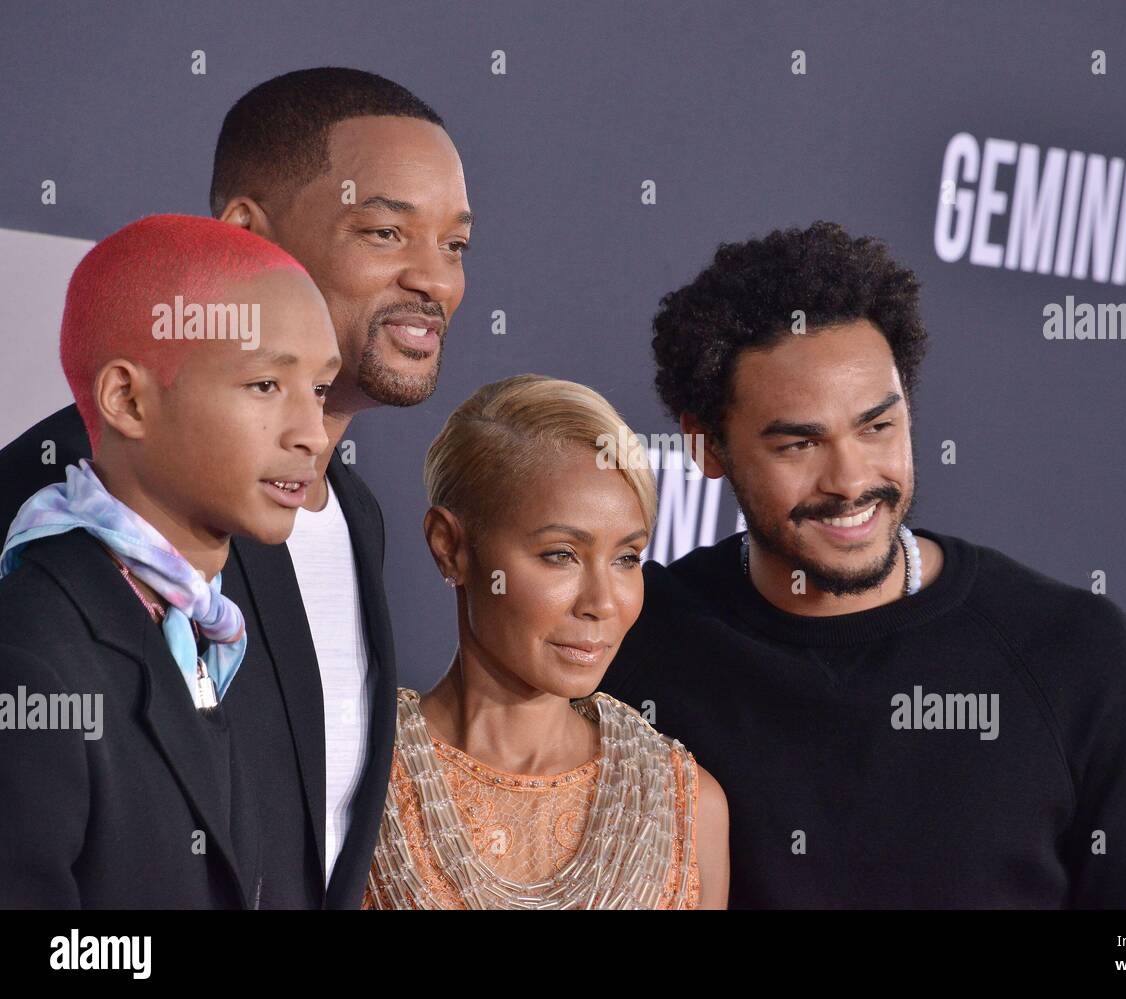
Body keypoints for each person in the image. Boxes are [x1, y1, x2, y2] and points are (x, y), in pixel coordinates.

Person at [598, 221, 1126, 909]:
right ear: (707, 446)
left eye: (877, 426)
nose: (851, 480)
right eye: (800, 444)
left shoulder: (1077, 655)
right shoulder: (630, 644)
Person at [0, 67, 472, 908]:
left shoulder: (358, 516)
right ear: (250, 233)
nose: (435, 281)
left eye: (456, 245)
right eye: (386, 233)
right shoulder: (76, 492)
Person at [0, 214, 340, 907]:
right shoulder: (28, 655)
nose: (311, 433)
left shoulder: (208, 633)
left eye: (321, 390)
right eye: (266, 385)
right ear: (128, 399)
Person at [363, 375, 729, 909]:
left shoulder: (686, 805)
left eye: (627, 558)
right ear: (451, 548)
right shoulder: (358, 777)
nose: (602, 602)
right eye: (561, 554)